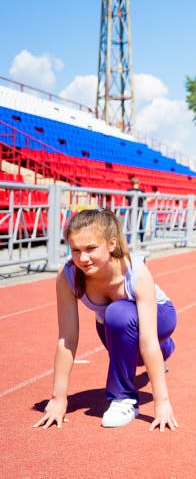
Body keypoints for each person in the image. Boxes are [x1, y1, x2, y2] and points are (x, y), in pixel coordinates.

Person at [34, 208, 178, 431]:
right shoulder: (68, 275)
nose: (83, 258)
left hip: (160, 316)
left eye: (91, 249)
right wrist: (59, 398)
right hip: (115, 324)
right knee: (133, 354)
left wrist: (162, 402)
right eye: (75, 250)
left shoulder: (135, 272)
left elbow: (148, 341)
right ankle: (166, 349)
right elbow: (67, 339)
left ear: (111, 244)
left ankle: (124, 399)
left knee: (119, 314)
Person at [127, 176, 146, 243]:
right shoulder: (142, 191)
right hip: (139, 210)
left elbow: (127, 199)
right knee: (141, 226)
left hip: (131, 210)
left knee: (130, 226)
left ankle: (129, 242)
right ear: (138, 183)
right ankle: (142, 241)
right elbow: (146, 200)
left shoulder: (128, 191)